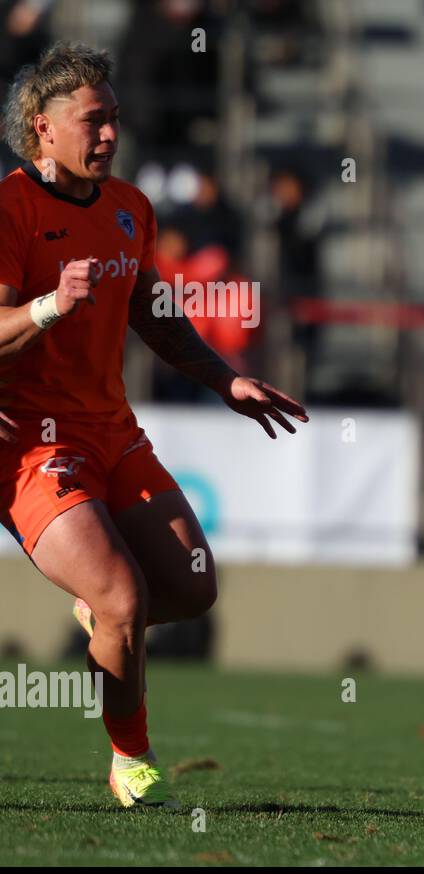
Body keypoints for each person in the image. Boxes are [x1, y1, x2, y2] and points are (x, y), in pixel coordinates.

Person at [0, 42, 307, 808]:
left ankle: (102, 611)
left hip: (115, 433)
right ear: (43, 127)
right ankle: (131, 758)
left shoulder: (130, 208)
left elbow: (159, 318)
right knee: (125, 600)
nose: (109, 137)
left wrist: (224, 377)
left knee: (194, 588)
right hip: (34, 445)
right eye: (93, 123)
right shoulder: (10, 209)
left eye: (114, 122)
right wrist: (46, 308)